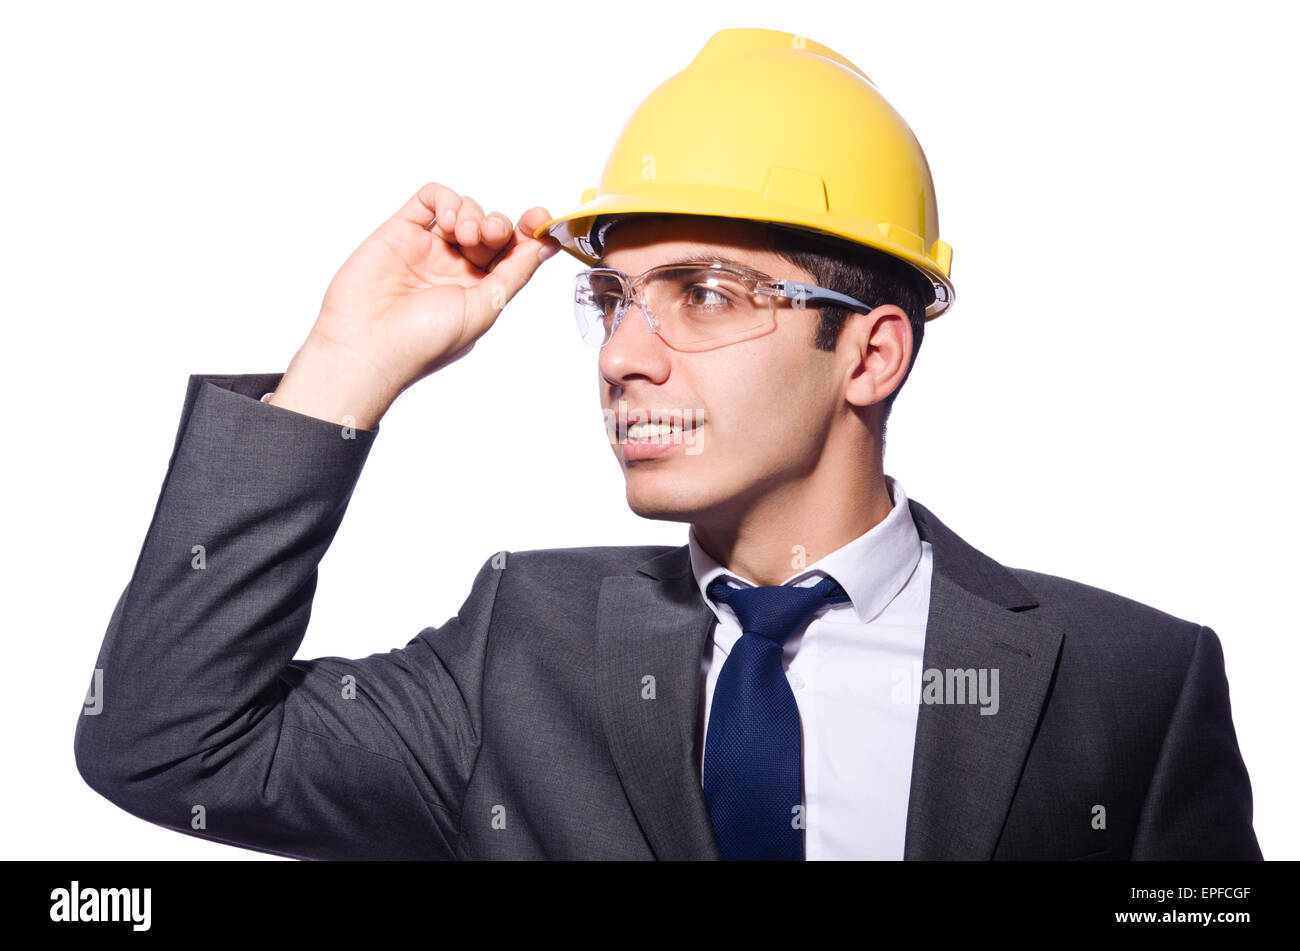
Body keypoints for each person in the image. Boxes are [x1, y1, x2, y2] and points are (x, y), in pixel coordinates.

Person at [74, 28, 1261, 860]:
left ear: (870, 354)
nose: (620, 357)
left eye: (703, 293)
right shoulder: (518, 652)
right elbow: (171, 752)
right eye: (612, 300)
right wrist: (343, 365)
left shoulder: (1130, 683)